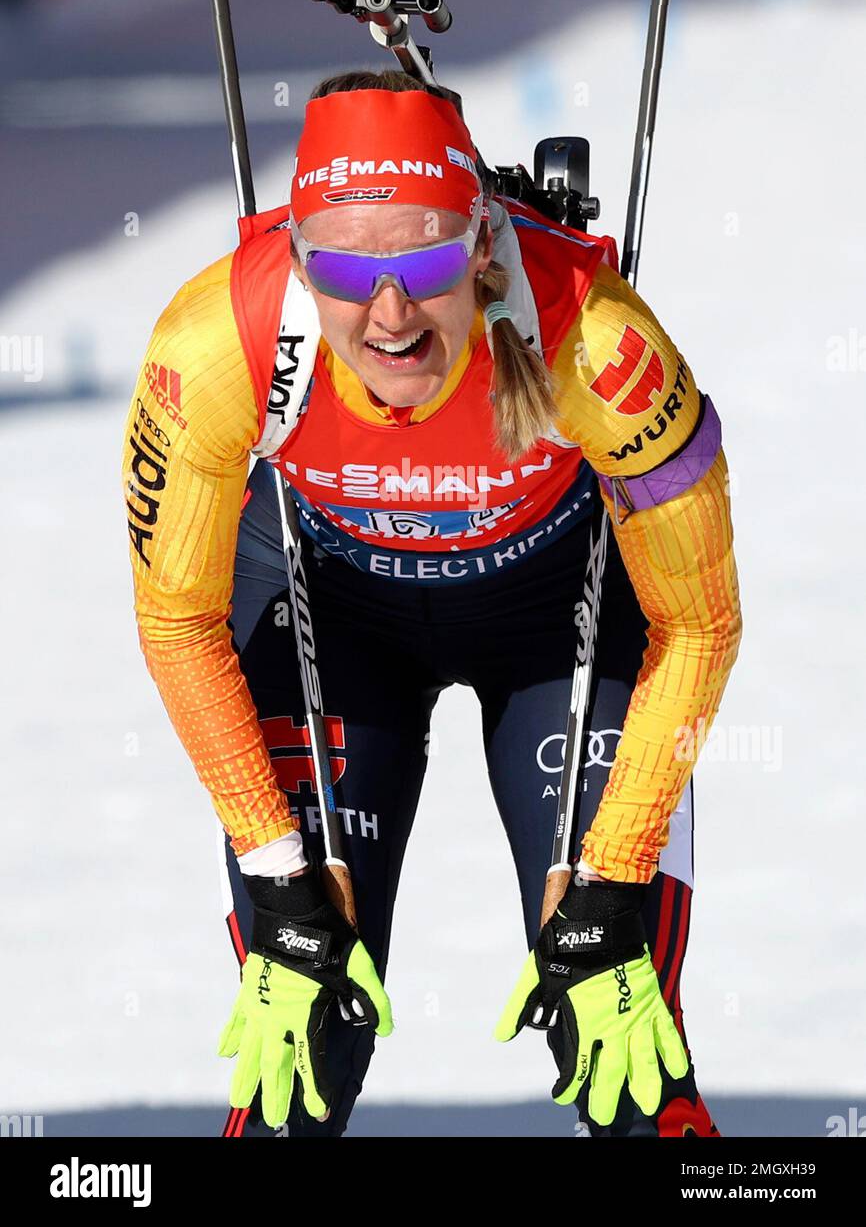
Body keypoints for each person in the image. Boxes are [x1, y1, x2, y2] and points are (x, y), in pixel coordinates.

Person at [122, 69, 742, 1138]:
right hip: (335, 620)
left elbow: (699, 620)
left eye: (423, 262)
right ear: (298, 259)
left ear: (484, 250)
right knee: (305, 1018)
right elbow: (177, 618)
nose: (391, 311)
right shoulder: (215, 343)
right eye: (350, 271)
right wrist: (276, 879)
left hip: (558, 619)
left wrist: (611, 876)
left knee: (612, 1016)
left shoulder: (593, 341)